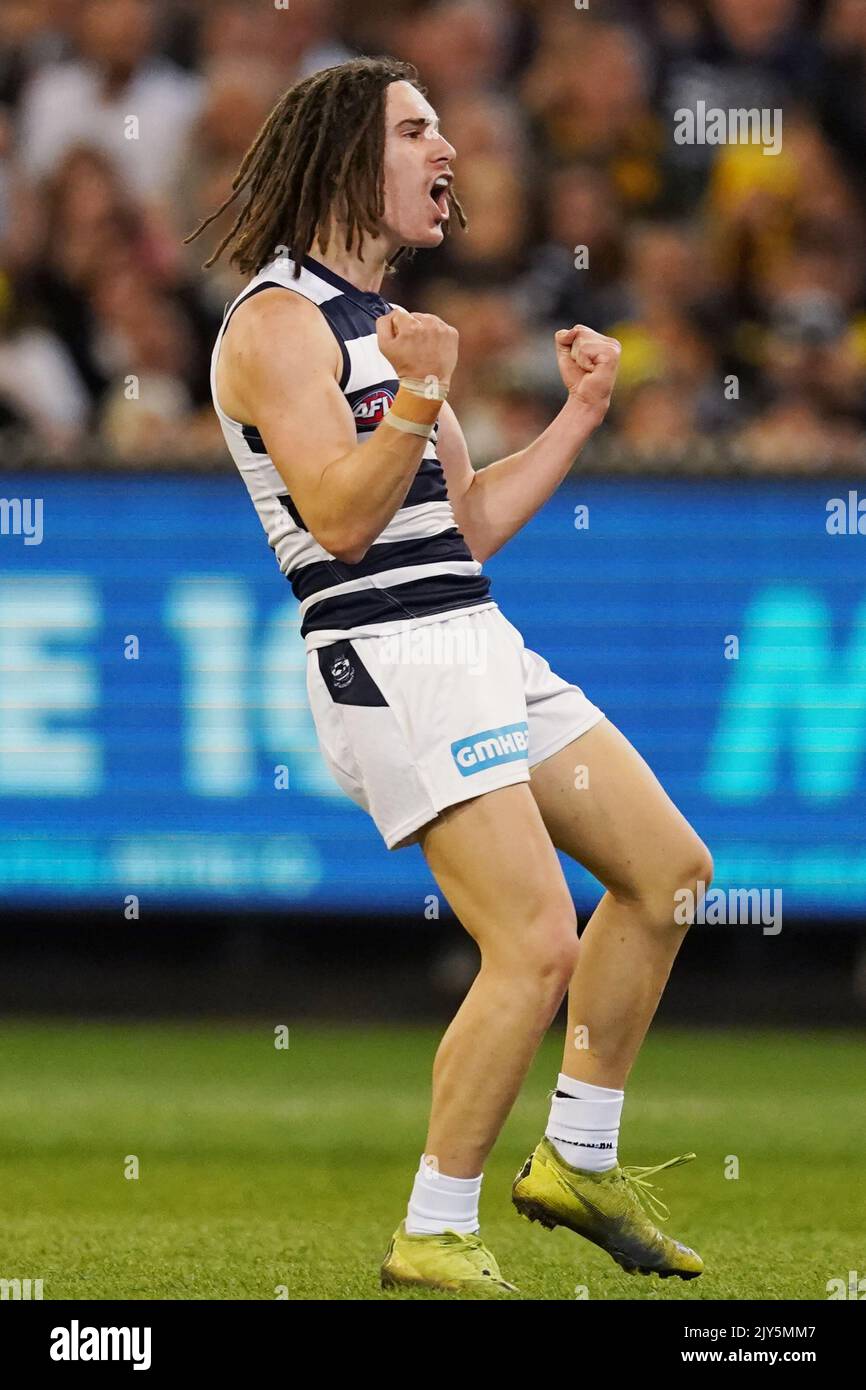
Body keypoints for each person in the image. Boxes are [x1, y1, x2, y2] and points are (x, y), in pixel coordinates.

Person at [189, 56, 711, 1297]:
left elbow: (457, 527)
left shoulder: (387, 326)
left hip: (472, 633)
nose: (448, 153)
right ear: (344, 161)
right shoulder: (276, 325)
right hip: (387, 653)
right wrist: (423, 389)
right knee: (532, 939)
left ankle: (576, 1155)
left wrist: (577, 418)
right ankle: (432, 1227)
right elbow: (340, 518)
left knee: (666, 872)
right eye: (416, 129)